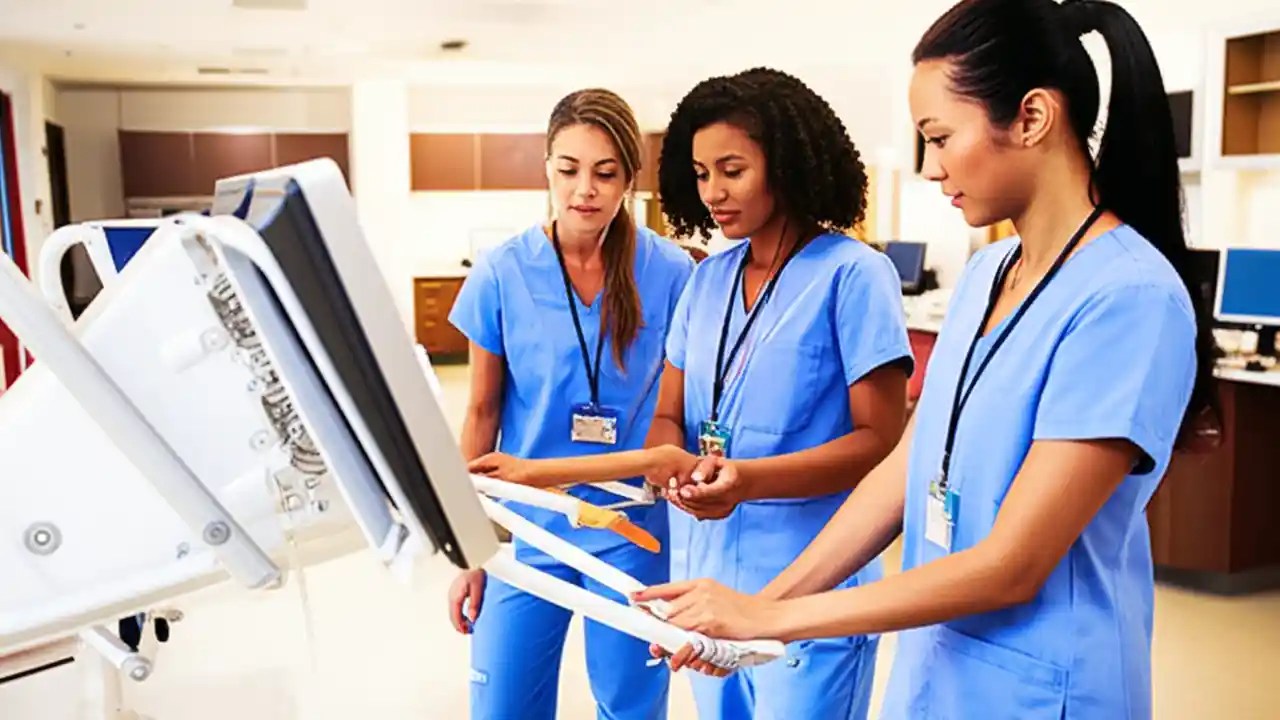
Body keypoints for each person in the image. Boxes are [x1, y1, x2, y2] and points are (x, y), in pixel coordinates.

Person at [631, 1, 1218, 718]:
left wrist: (770, 621)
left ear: (1031, 118)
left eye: (939, 138)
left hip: (1047, 687)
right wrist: (760, 602)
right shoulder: (987, 274)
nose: (932, 167)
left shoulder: (1129, 298)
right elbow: (907, 467)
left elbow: (1013, 565)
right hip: (939, 666)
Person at [474, 67, 915, 720]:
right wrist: (675, 465)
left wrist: (746, 480)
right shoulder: (708, 283)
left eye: (731, 170)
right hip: (707, 584)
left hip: (810, 584)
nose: (713, 192)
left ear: (784, 165)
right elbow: (669, 418)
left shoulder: (855, 276)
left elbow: (880, 443)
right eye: (702, 173)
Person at [445, 87, 695, 720]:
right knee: (503, 705)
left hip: (633, 526)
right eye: (569, 169)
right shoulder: (502, 273)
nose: (585, 188)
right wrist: (468, 550)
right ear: (547, 167)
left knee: (631, 706)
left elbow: (683, 409)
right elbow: (481, 413)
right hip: (529, 524)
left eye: (605, 173)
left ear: (629, 181)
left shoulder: (671, 273)